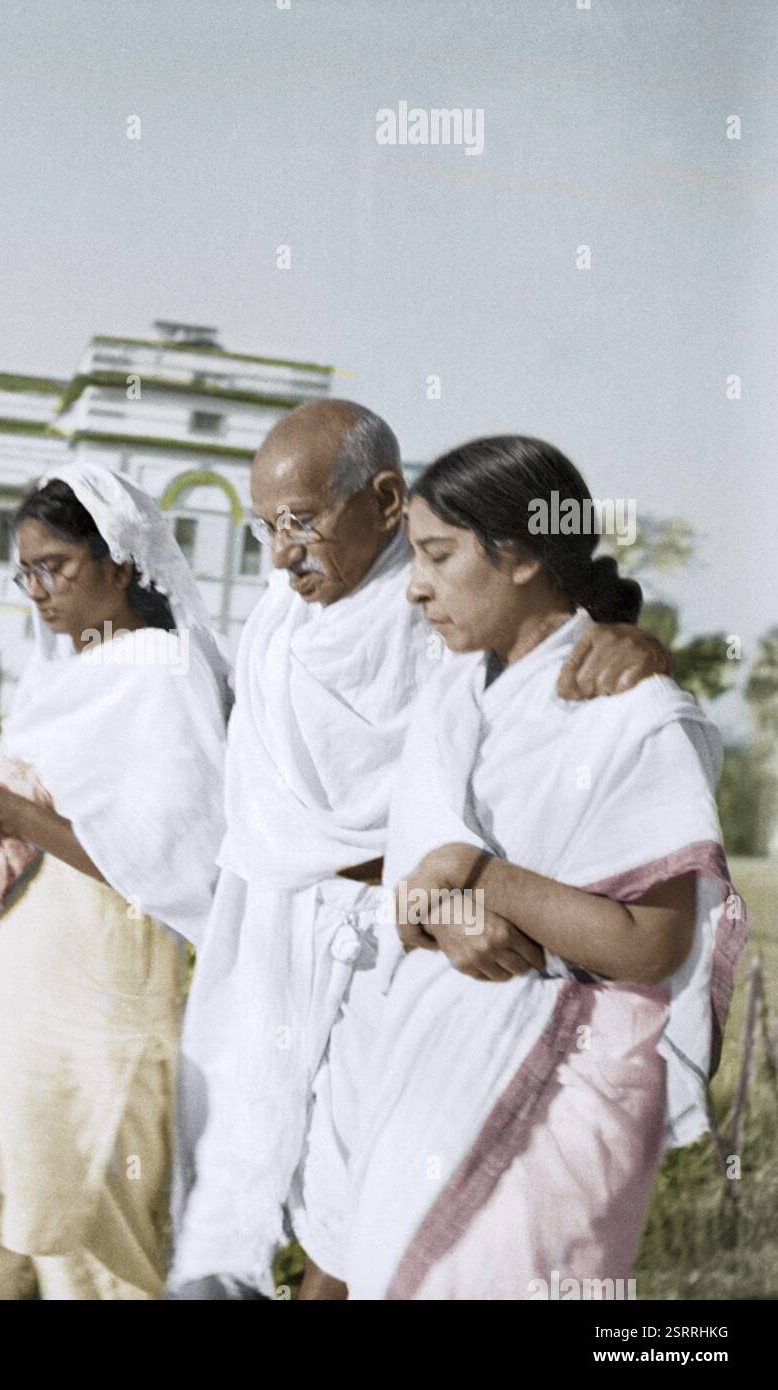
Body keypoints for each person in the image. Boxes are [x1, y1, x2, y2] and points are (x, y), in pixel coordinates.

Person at [167, 401, 674, 1300]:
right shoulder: (274, 632)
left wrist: (632, 646)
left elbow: (525, 730)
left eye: (300, 523)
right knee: (263, 1199)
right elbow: (256, 822)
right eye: (264, 531)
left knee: (389, 1206)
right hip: (290, 940)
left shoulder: (457, 610)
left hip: (437, 947)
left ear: (387, 498)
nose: (282, 556)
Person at [321, 435, 749, 1299]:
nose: (414, 585)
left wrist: (478, 873)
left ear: (517, 556)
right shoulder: (449, 701)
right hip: (427, 1073)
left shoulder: (633, 713)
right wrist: (434, 906)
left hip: (560, 1092)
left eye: (439, 556)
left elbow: (651, 946)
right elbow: (409, 882)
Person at [0, 461, 231, 1300]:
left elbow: (181, 864)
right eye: (24, 570)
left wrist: (13, 812)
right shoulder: (55, 679)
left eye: (56, 567)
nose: (36, 589)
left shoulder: (163, 676)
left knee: (89, 1259)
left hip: (90, 1013)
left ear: (120, 562)